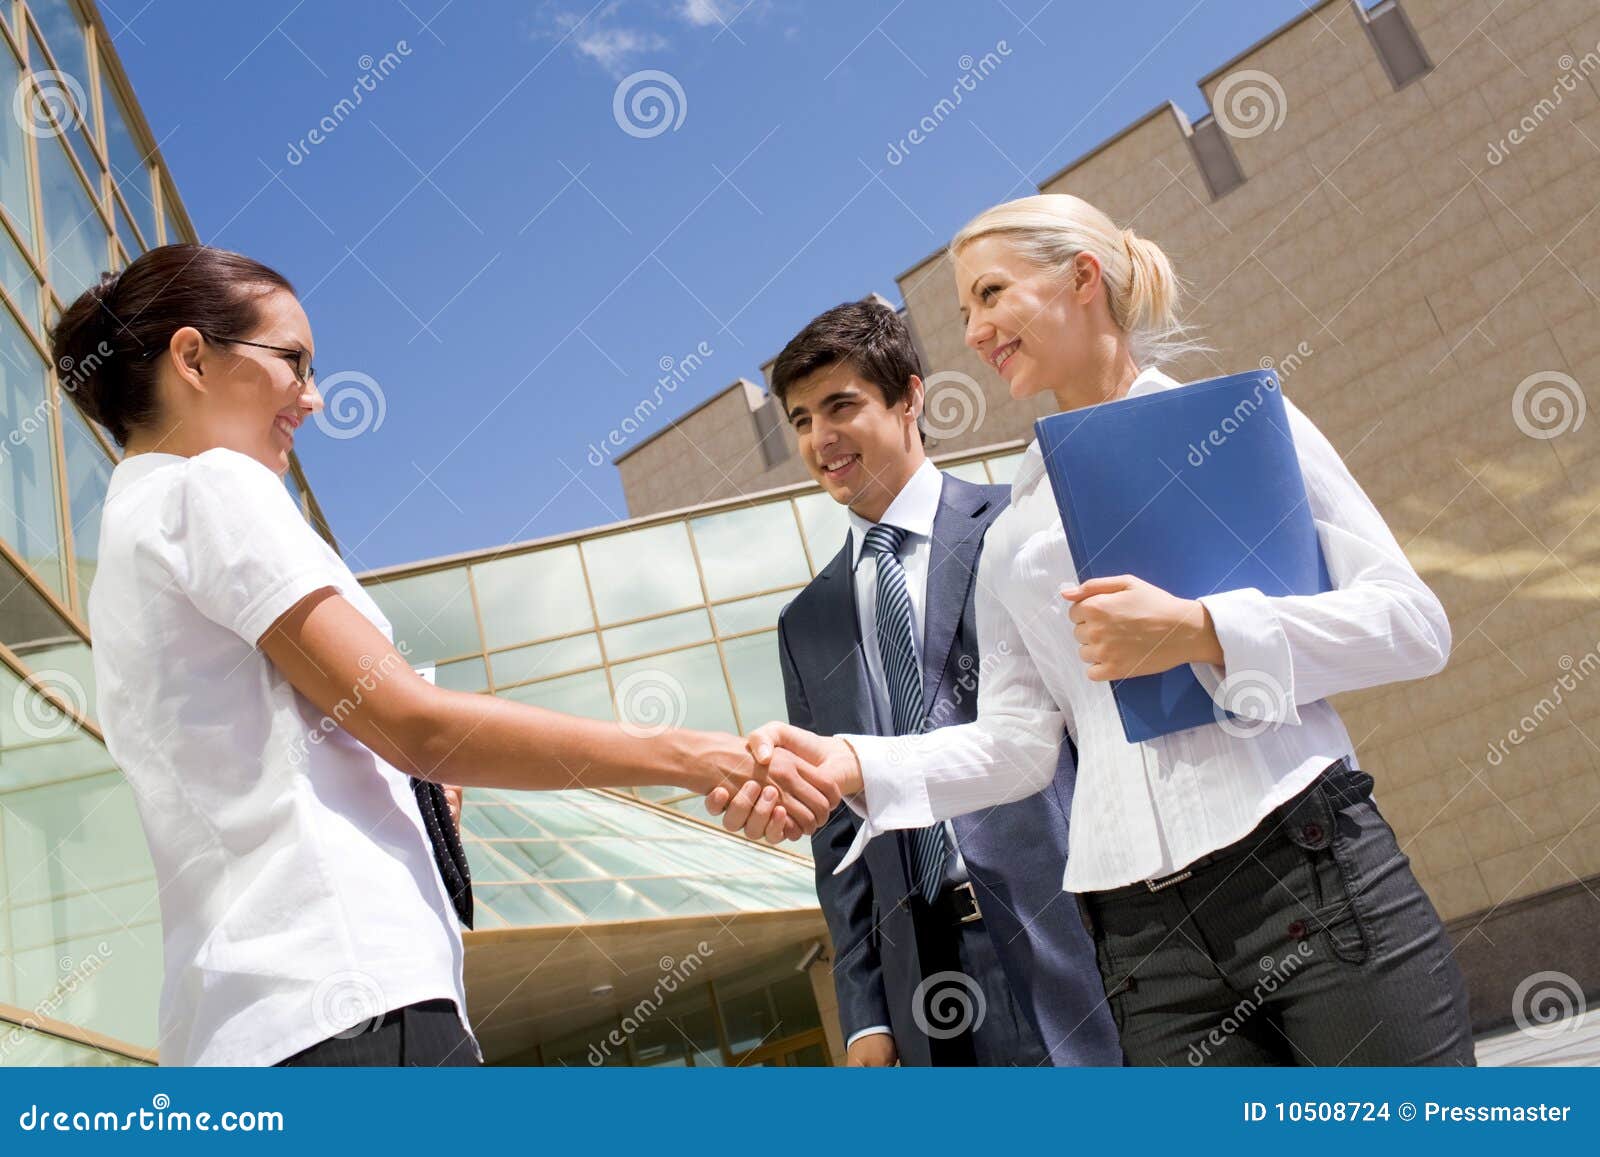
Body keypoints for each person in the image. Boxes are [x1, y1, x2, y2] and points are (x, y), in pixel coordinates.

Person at [719, 193, 1474, 1066]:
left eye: (992, 294)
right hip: (1142, 942)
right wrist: (857, 761)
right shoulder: (1015, 532)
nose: (974, 330)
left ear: (1082, 278)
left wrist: (1205, 629)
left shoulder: (1240, 423)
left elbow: (1413, 625)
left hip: (1302, 870)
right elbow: (1017, 746)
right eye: (965, 311)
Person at [57, 244, 836, 1067]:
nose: (314, 398)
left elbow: (304, 757)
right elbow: (411, 722)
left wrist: (408, 791)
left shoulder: (130, 541)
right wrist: (693, 755)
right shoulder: (212, 484)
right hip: (350, 1002)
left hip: (249, 1025)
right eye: (293, 361)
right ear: (192, 357)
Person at [746, 300, 1119, 1066]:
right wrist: (864, 1013)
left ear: (911, 396)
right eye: (802, 419)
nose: (821, 439)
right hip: (928, 976)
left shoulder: (1014, 528)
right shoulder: (806, 621)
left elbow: (1096, 725)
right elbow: (835, 833)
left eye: (841, 405)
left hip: (1074, 929)